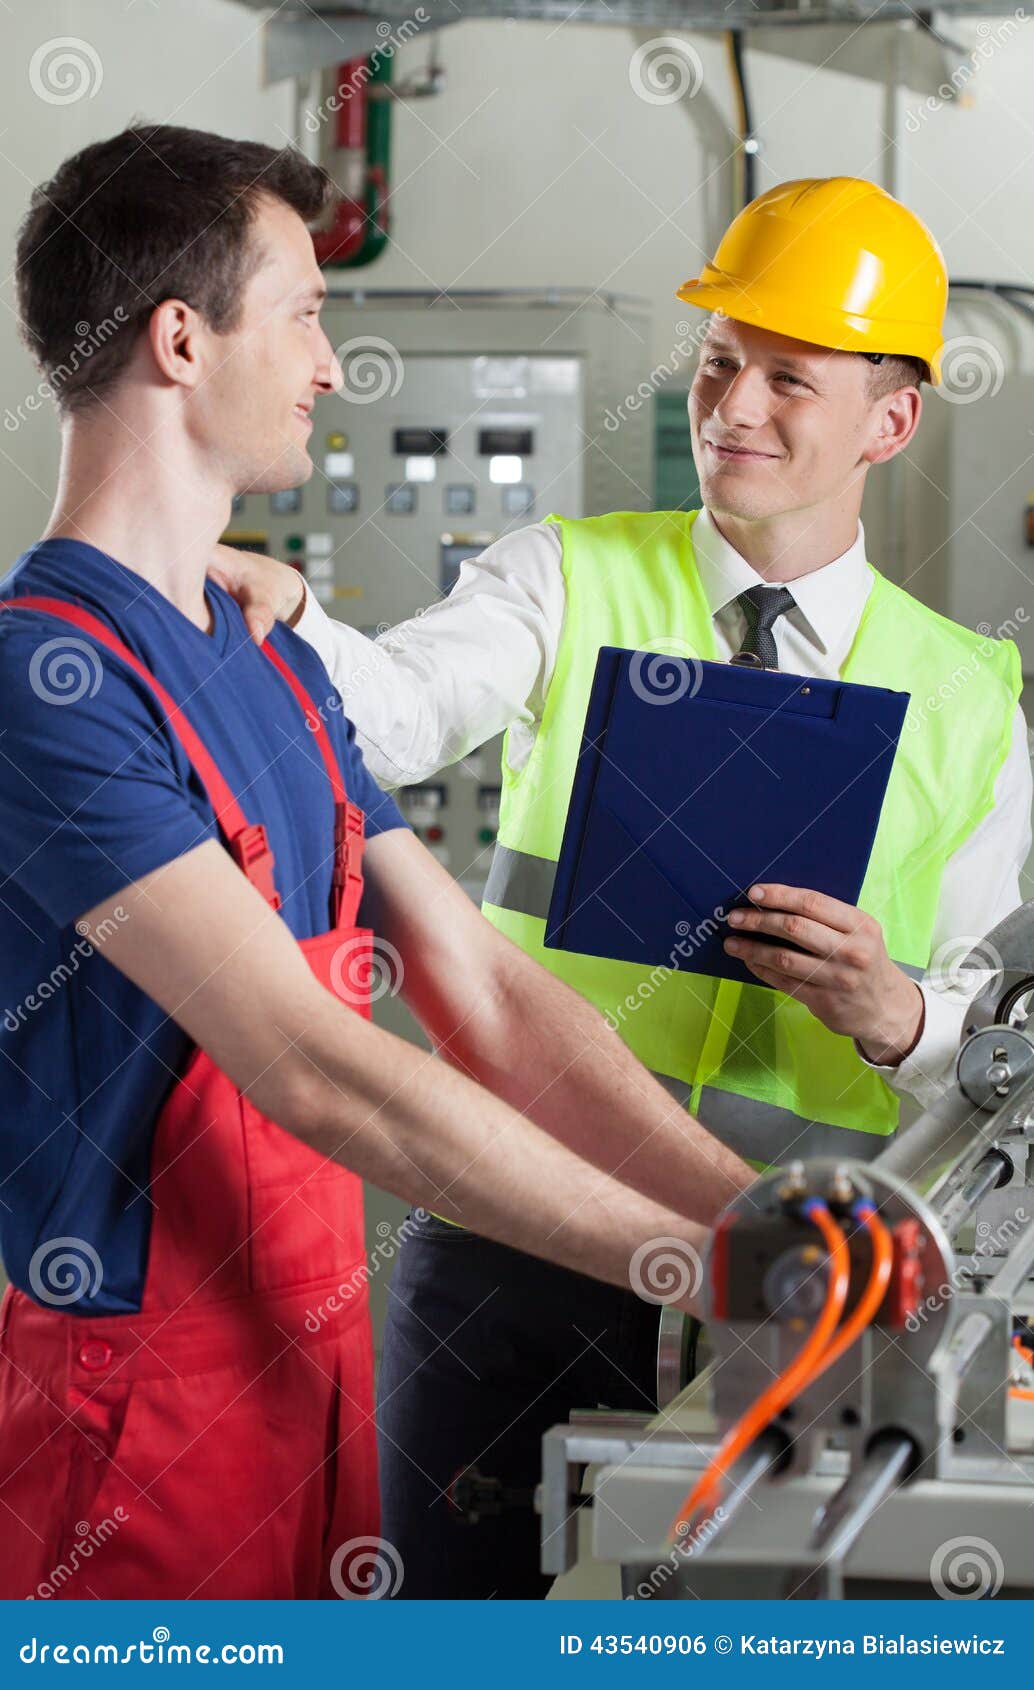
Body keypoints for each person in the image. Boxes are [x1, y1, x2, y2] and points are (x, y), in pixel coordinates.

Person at [216, 176, 1032, 1598]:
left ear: (888, 422)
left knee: (724, 1631)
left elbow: (978, 1035)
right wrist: (299, 626)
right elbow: (395, 712)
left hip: (794, 1264)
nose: (735, 406)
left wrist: (894, 1009)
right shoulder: (562, 580)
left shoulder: (970, 699)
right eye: (720, 363)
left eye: (790, 378)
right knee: (448, 1618)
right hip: (518, 1232)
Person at [0, 124, 752, 1603]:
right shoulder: (45, 682)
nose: (331, 364)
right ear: (176, 339)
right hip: (129, 1419)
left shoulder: (271, 656)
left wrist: (756, 1216)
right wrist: (704, 1271)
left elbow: (474, 984)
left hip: (308, 1359)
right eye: (304, 312)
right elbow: (309, 1062)